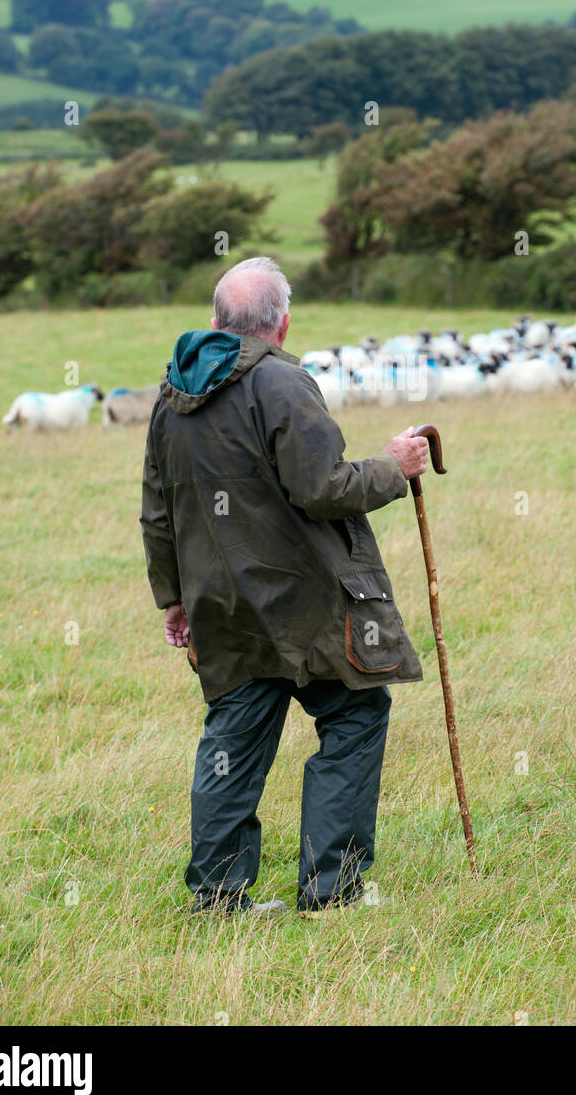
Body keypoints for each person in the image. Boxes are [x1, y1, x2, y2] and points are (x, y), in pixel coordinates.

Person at [140, 256, 428, 916]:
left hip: (224, 609)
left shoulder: (169, 398)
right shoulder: (282, 383)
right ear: (283, 322)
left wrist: (176, 598)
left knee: (231, 749)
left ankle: (217, 899)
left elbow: (157, 510)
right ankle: (331, 893)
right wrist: (394, 467)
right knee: (355, 717)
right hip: (306, 606)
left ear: (215, 322)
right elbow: (322, 489)